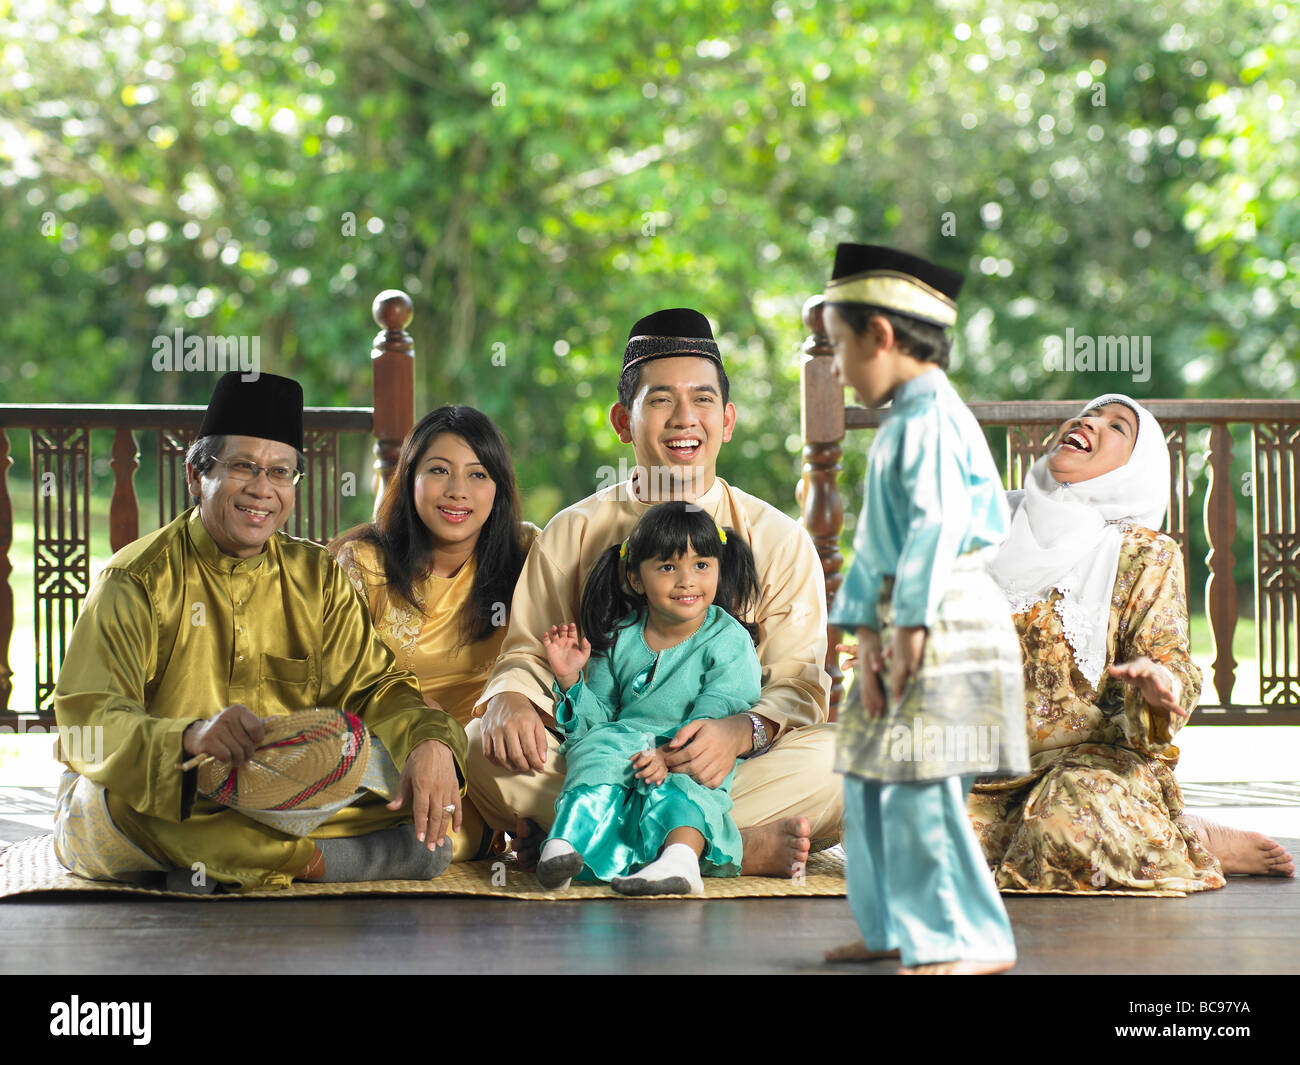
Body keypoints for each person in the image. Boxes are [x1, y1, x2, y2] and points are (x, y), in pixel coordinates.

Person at [52, 372, 467, 892]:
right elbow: (87, 722)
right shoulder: (135, 580)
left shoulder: (315, 577)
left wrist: (431, 740)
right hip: (175, 788)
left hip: (282, 792)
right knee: (113, 805)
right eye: (243, 467)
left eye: (280, 473)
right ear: (195, 474)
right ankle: (318, 864)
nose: (261, 489)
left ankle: (225, 865)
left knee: (397, 776)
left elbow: (373, 687)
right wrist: (188, 738)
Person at [466, 308, 841, 878]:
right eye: (661, 400)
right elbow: (528, 651)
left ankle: (584, 836)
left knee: (844, 760)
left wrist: (739, 732)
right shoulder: (575, 530)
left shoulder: (780, 539)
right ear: (623, 420)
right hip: (605, 753)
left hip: (719, 767)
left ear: (729, 418)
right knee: (480, 749)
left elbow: (799, 687)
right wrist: (514, 698)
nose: (685, 419)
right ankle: (728, 846)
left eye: (704, 400)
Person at [968, 393, 1295, 889]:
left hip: (1089, 770)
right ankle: (1160, 833)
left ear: (1134, 470)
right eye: (1089, 414)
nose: (1089, 421)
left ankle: (1185, 836)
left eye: (1117, 426)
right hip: (985, 772)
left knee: (1065, 822)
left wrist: (1159, 685)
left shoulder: (1144, 553)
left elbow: (1169, 660)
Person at [819, 243, 1029, 975]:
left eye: (840, 347)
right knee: (869, 777)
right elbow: (880, 538)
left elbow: (934, 528)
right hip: (903, 619)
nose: (838, 368)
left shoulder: (931, 416)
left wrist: (906, 627)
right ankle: (895, 928)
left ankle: (968, 937)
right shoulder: (907, 416)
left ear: (881, 336)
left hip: (940, 619)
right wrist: (866, 629)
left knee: (917, 782)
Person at [331, 405, 536, 861]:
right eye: (438, 470)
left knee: (446, 836)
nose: (457, 491)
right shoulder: (362, 564)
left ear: (498, 488)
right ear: (409, 480)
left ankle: (323, 856)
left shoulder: (527, 555)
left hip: (481, 766)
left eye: (478, 474)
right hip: (379, 752)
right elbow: (335, 683)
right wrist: (427, 732)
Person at [536, 502, 762, 895]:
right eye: (668, 567)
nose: (687, 580)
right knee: (595, 751)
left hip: (692, 744)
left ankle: (680, 861)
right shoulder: (620, 634)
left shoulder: (727, 639)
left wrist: (668, 758)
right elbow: (599, 719)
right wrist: (570, 677)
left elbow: (720, 709)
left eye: (702, 565)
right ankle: (563, 846)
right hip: (627, 742)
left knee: (690, 785)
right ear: (636, 579)